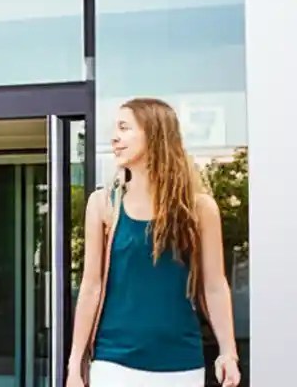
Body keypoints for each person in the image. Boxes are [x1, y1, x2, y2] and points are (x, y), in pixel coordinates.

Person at [68, 97, 241, 387]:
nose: (114, 137)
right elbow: (90, 287)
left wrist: (228, 353)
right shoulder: (102, 204)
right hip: (114, 362)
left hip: (180, 364)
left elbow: (214, 285)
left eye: (124, 128)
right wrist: (75, 363)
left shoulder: (200, 209)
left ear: (154, 133)